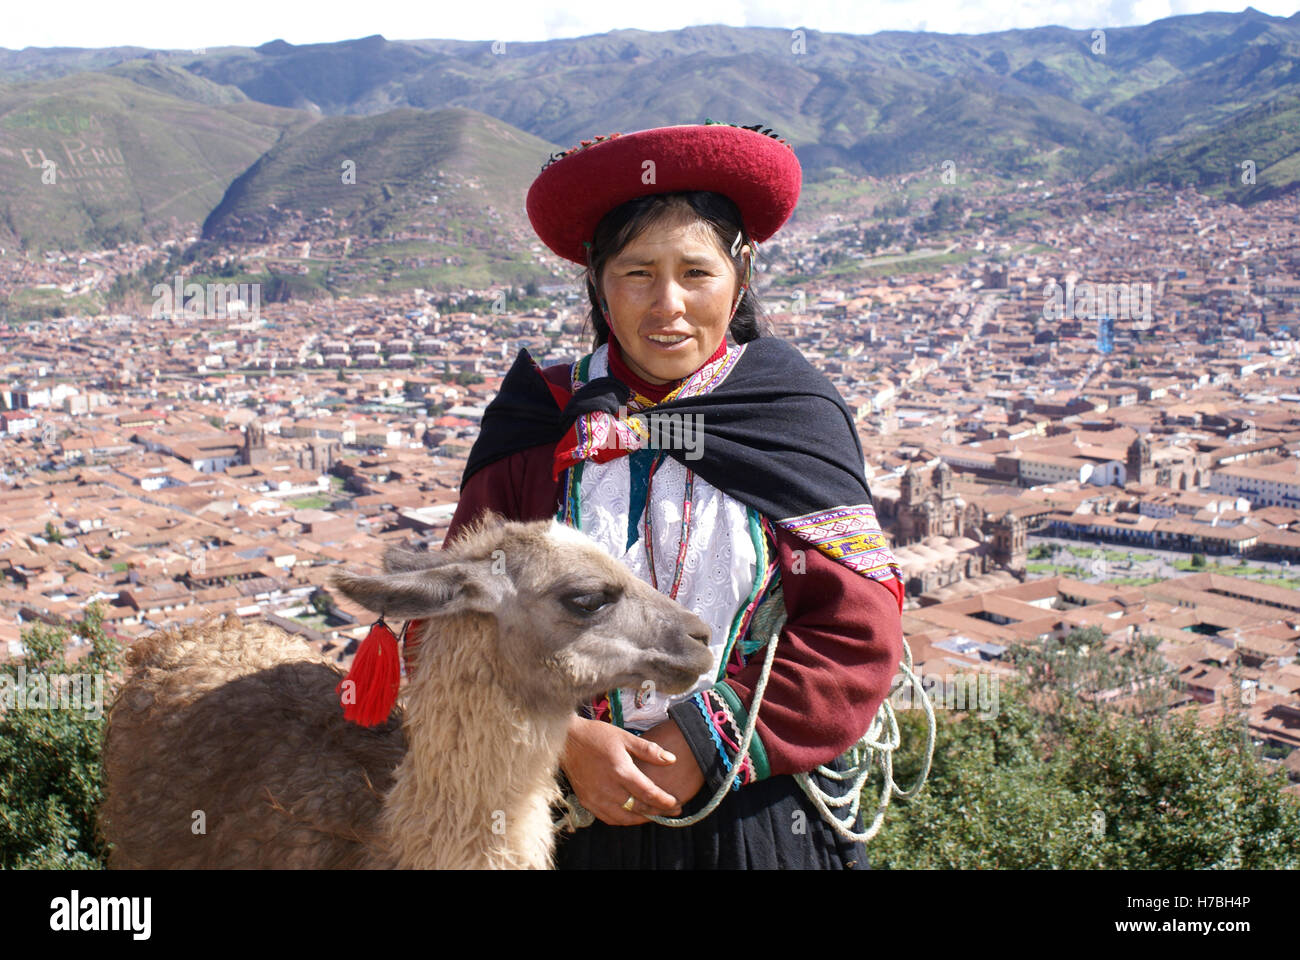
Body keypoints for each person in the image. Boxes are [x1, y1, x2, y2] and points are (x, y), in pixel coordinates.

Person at [406, 121, 904, 869]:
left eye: (695, 273)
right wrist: (568, 740)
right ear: (599, 287)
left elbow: (853, 632)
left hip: (758, 820)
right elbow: (449, 628)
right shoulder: (540, 424)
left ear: (740, 277)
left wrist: (706, 740)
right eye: (637, 273)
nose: (667, 304)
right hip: (564, 818)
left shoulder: (790, 419)